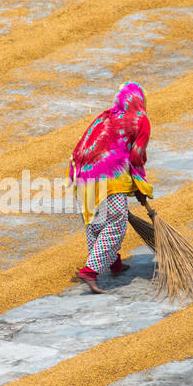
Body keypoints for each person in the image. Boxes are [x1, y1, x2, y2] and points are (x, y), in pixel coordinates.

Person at [68, 81, 153, 293]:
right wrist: (141, 189)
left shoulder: (104, 116)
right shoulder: (140, 120)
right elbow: (137, 157)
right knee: (116, 222)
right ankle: (90, 271)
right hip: (107, 177)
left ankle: (114, 263)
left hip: (80, 176)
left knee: (96, 222)